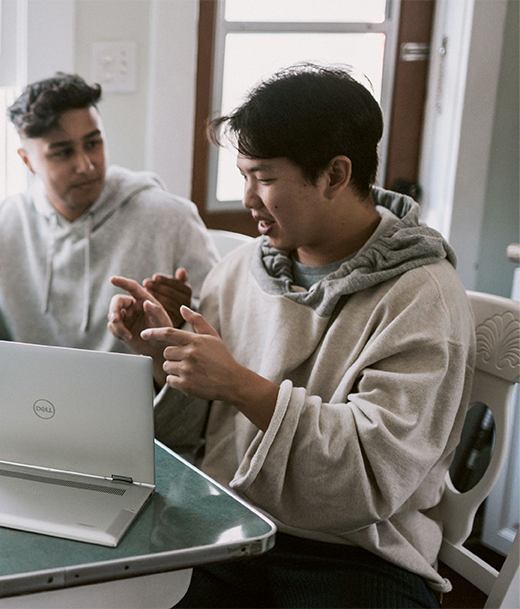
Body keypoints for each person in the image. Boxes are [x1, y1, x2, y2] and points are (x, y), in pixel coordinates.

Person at [108, 63, 474, 607]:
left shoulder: (422, 296)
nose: (248, 199)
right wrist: (168, 356)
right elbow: (194, 442)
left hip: (356, 553)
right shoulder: (240, 270)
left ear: (335, 174)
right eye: (243, 175)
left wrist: (236, 384)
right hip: (230, 527)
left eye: (264, 177)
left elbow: (369, 479)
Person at [0, 73, 219, 351]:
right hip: (35, 403)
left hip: (141, 404)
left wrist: (177, 323)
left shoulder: (170, 217)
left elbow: (226, 326)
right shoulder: (6, 221)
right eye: (62, 152)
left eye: (93, 143)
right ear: (28, 161)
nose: (86, 165)